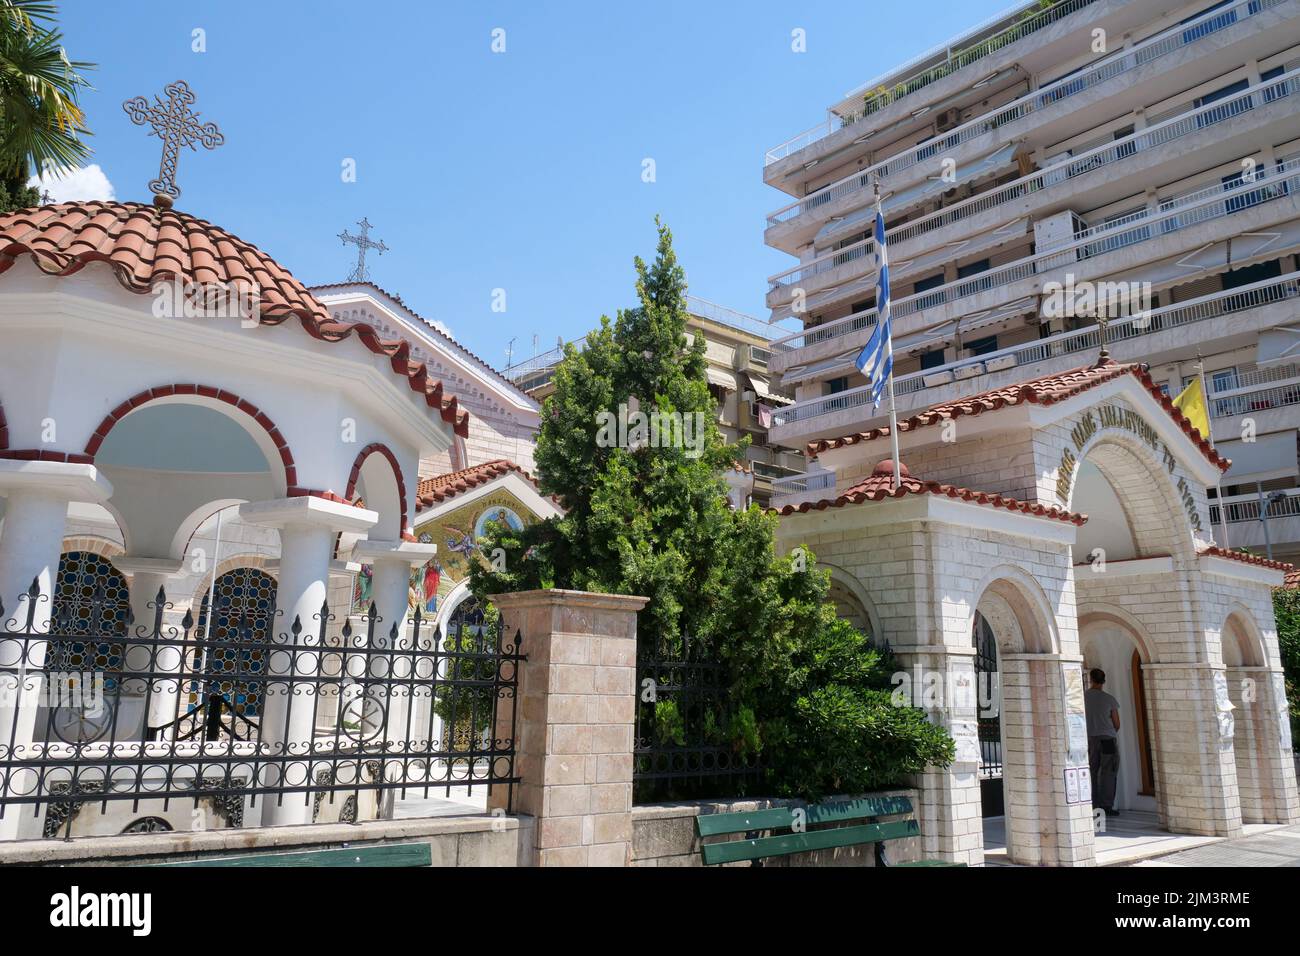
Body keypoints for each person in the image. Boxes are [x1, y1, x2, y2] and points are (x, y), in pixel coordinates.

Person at [1085, 668, 1122, 816]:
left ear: (1091, 679)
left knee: (1092, 771)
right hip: (1107, 738)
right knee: (1108, 771)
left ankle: (1093, 804)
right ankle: (1106, 806)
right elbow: (1117, 723)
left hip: (1090, 738)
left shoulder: (1083, 697)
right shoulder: (1109, 699)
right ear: (1104, 681)